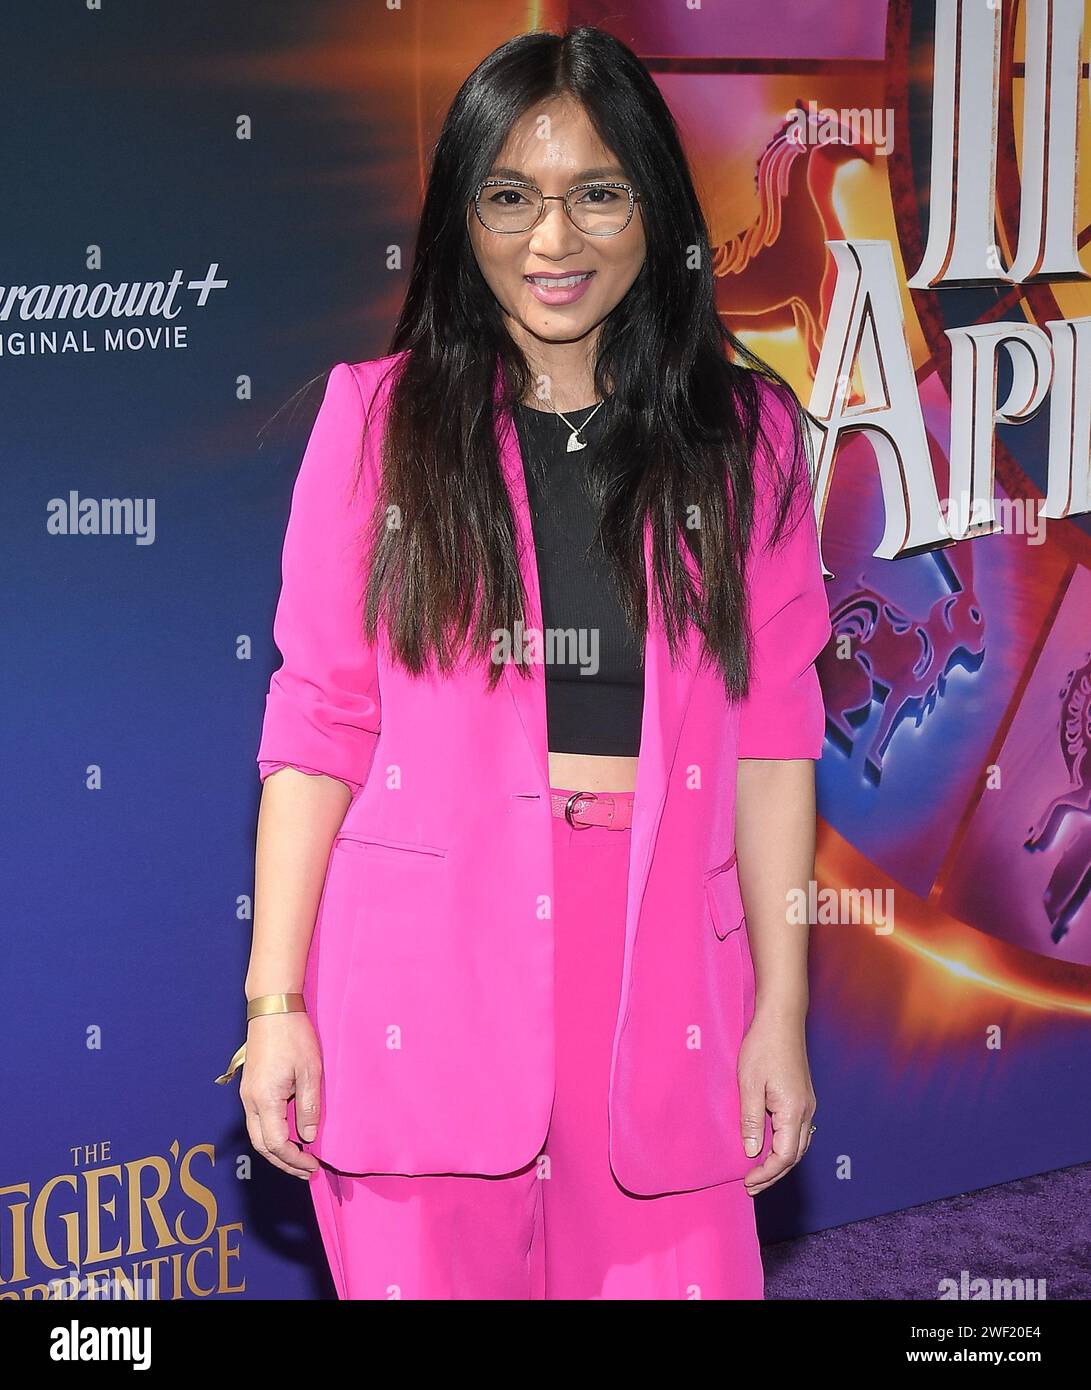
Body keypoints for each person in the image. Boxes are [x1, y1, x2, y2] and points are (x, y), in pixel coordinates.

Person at [216, 24, 831, 1300]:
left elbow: (773, 743)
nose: (554, 241)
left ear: (654, 210)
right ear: (462, 217)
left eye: (597, 193)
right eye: (511, 196)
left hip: (662, 959)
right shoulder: (377, 423)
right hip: (423, 968)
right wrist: (276, 1004)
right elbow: (317, 726)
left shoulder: (748, 435)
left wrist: (778, 1012)